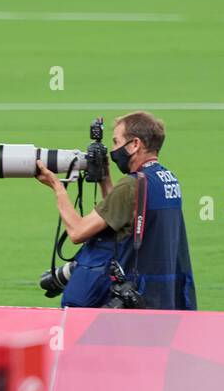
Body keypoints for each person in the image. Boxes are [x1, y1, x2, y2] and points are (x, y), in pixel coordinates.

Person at [34, 110, 196, 310]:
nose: (113, 150)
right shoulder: (166, 179)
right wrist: (105, 179)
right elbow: (125, 215)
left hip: (132, 302)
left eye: (116, 142)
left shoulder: (132, 185)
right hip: (159, 296)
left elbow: (77, 232)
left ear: (135, 144)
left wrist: (58, 187)